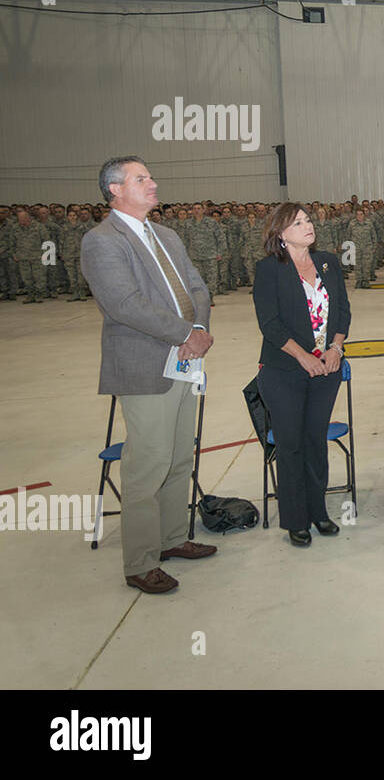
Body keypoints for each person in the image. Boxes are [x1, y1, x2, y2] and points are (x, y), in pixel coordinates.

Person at [81, 157, 216, 593]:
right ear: (115, 189)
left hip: (183, 359)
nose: (153, 184)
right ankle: (139, 561)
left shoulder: (167, 235)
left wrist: (198, 331)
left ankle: (173, 538)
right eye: (142, 179)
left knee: (179, 455)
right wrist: (183, 332)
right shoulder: (103, 241)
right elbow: (124, 303)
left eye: (151, 177)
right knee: (147, 464)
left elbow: (197, 286)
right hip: (144, 364)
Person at [253, 203, 351, 547]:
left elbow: (342, 311)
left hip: (327, 368)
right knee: (291, 444)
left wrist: (335, 348)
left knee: (315, 442)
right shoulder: (269, 269)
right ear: (281, 233)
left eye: (308, 220)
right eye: (297, 222)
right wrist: (304, 357)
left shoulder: (328, 262)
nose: (307, 225)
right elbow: (271, 324)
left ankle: (318, 511)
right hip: (284, 372)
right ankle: (296, 519)